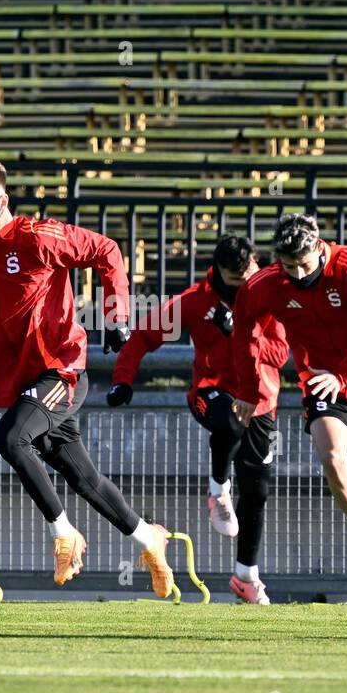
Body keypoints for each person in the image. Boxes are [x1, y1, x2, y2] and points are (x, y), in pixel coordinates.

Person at [0, 158, 174, 597]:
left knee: (9, 438)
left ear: (3, 200)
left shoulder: (38, 236)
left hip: (60, 367)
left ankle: (64, 534)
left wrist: (117, 313)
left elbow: (106, 250)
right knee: (83, 478)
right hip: (13, 382)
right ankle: (149, 539)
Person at [231, 213, 347, 591]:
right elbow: (245, 333)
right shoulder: (264, 285)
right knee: (332, 459)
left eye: (305, 264)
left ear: (320, 249)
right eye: (289, 265)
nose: (298, 274)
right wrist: (249, 391)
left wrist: (345, 374)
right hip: (322, 381)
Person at [108, 234, 289, 604]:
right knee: (229, 422)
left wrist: (241, 329)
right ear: (221, 272)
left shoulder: (268, 295)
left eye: (249, 274)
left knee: (257, 490)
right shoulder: (196, 301)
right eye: (236, 279)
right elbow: (143, 335)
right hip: (211, 393)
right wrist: (123, 380)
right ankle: (218, 490)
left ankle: (246, 577)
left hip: (261, 401)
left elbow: (281, 353)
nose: (244, 284)